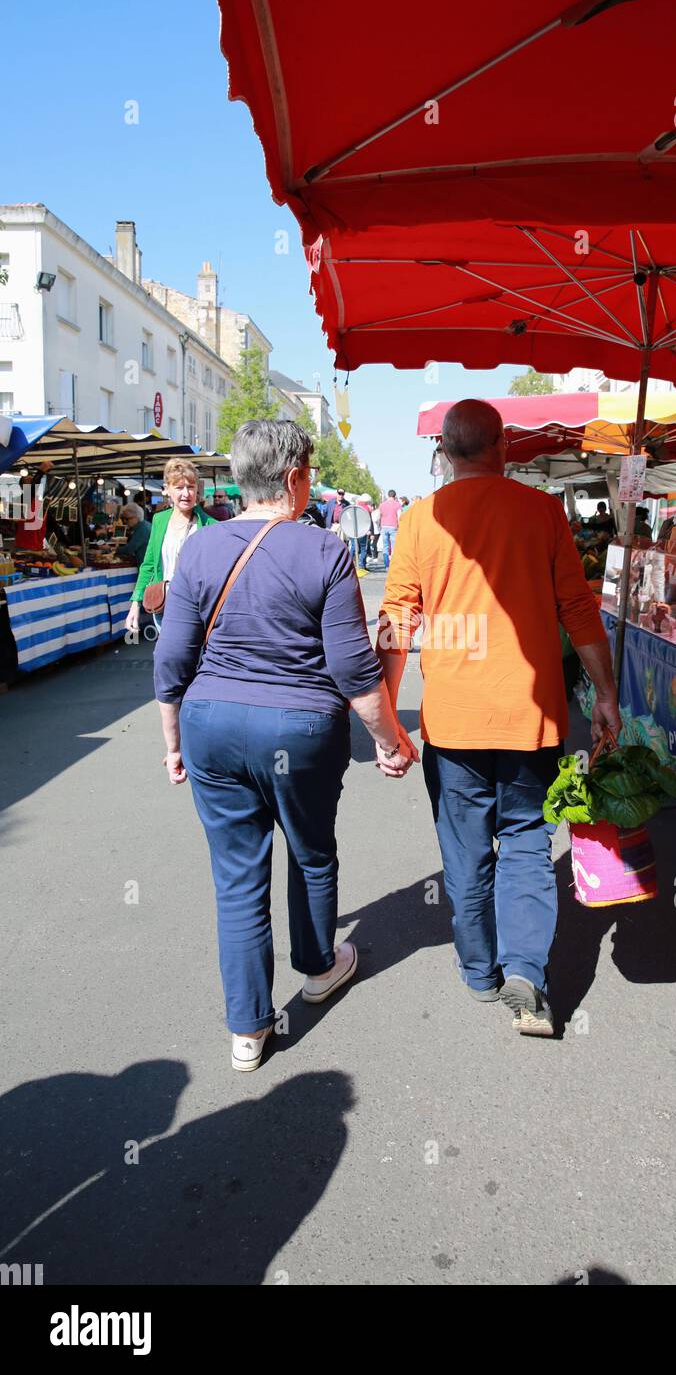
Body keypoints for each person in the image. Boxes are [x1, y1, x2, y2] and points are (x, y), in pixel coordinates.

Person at [152, 420, 418, 1072]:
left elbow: (172, 661)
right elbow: (356, 674)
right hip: (300, 729)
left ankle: (247, 1031)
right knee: (311, 849)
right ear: (296, 477)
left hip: (211, 725)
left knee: (237, 878)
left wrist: (172, 744)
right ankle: (319, 966)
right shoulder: (325, 552)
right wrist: (390, 742)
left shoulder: (201, 552)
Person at [376, 399, 621, 1038]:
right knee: (526, 844)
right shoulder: (541, 511)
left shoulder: (420, 520)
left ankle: (480, 969)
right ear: (503, 445)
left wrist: (387, 716)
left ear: (445, 452)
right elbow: (578, 608)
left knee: (464, 852)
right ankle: (528, 974)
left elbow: (397, 620)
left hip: (452, 723)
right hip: (531, 716)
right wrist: (606, 696)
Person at [124, 459, 217, 634]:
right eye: (179, 487)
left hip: (197, 609)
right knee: (168, 658)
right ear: (167, 489)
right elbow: (149, 565)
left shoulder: (211, 524)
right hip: (163, 606)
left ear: (197, 489)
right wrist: (135, 604)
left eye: (190, 487)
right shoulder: (159, 520)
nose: (186, 493)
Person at [116, 503, 152, 567]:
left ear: (136, 517)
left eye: (127, 519)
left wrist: (114, 550)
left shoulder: (142, 528)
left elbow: (130, 548)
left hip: (147, 566)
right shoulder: (146, 525)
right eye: (123, 518)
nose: (124, 521)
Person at [379, 489, 401, 568]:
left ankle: (386, 564)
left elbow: (379, 516)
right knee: (393, 546)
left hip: (384, 526)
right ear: (394, 496)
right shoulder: (397, 505)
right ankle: (393, 564)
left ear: (388, 495)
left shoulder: (382, 505)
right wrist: (399, 526)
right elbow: (399, 516)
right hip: (393, 526)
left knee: (385, 546)